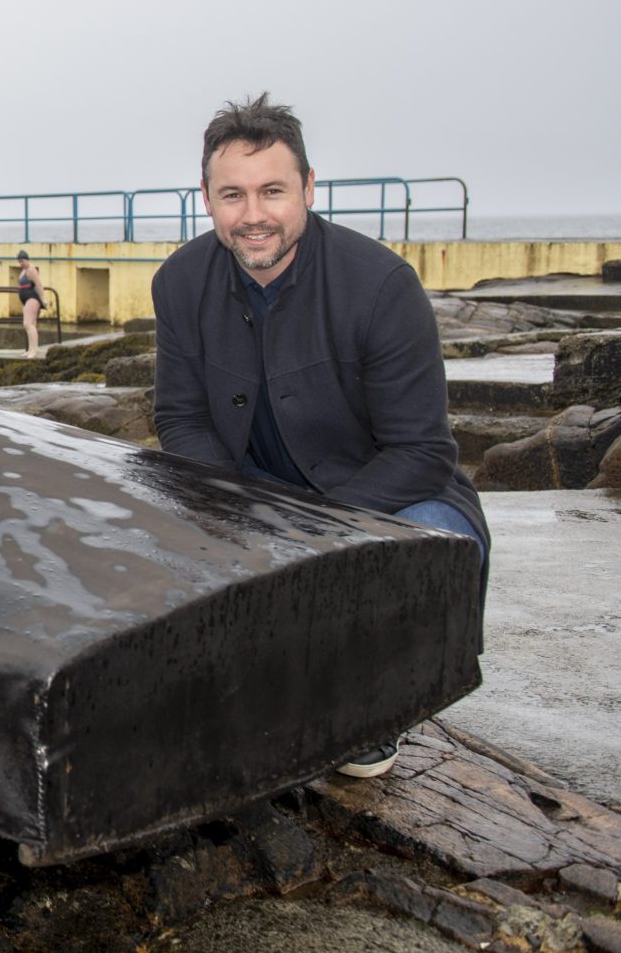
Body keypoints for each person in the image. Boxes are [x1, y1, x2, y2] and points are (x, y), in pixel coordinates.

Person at [150, 92, 488, 781]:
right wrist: (237, 508)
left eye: (272, 190)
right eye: (233, 194)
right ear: (208, 200)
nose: (253, 215)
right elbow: (180, 418)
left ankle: (374, 705)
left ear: (308, 187)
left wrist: (313, 529)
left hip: (386, 495)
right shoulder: (180, 282)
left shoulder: (383, 286)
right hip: (254, 485)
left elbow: (424, 452)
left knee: (436, 547)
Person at [14, 250, 44, 356]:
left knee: (28, 324)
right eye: (19, 261)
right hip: (26, 299)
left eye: (22, 261)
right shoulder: (24, 269)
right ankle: (31, 349)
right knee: (30, 324)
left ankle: (34, 350)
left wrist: (43, 300)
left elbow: (39, 285)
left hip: (32, 298)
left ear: (27, 259)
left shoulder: (31, 269)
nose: (21, 263)